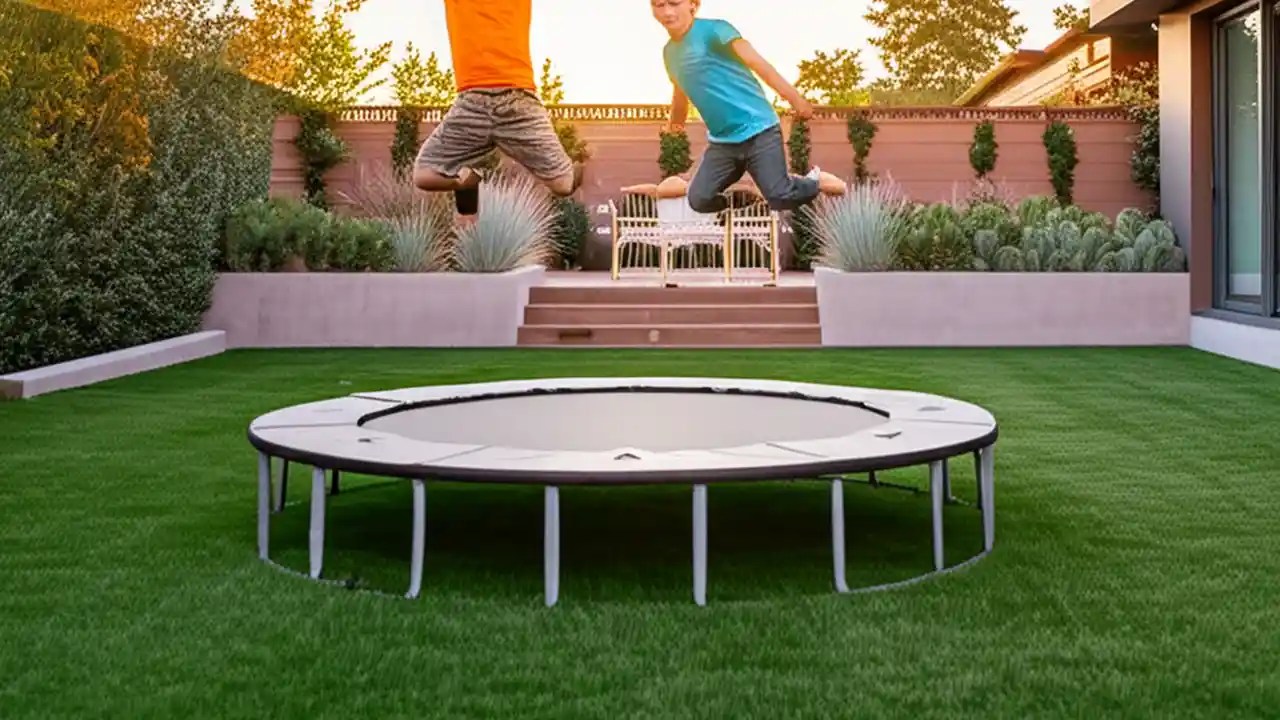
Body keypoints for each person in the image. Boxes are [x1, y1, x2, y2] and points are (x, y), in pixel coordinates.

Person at [652, 0, 829, 215]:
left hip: (759, 131)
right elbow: (680, 90)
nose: (667, 12)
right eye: (659, 5)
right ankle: (735, 207)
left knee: (779, 195)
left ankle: (815, 181)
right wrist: (675, 123)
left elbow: (758, 63)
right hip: (723, 144)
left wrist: (795, 99)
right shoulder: (669, 53)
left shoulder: (716, 30)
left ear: (692, 4)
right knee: (698, 199)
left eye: (674, 3)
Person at [412, 0, 581, 215]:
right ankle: (465, 182)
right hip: (471, 103)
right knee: (424, 176)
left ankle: (573, 169)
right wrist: (460, 183)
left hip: (518, 101)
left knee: (564, 185)